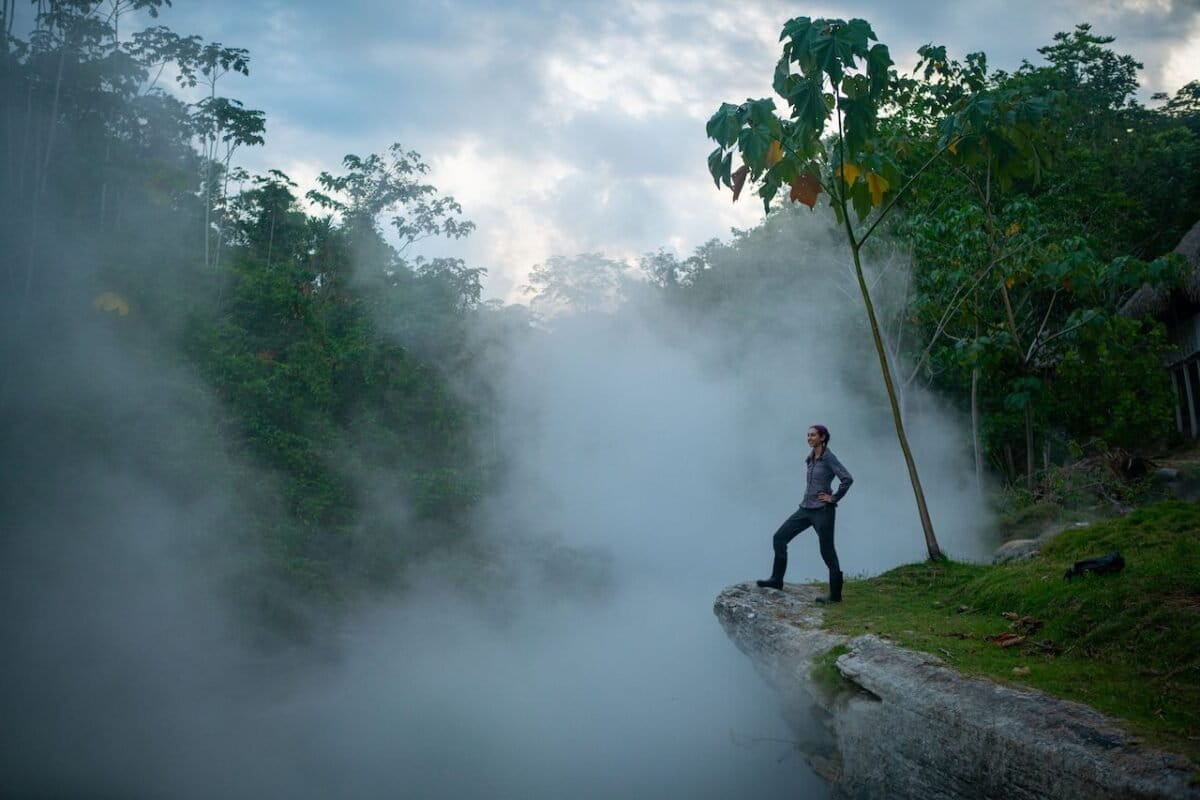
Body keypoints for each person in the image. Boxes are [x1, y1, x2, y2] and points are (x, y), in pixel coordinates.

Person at [756, 424, 852, 602]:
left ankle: (835, 595)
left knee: (827, 552)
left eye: (813, 435)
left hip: (823, 511)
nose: (809, 438)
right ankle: (777, 580)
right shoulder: (811, 458)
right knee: (779, 537)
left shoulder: (829, 458)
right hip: (805, 508)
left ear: (822, 437)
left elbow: (847, 478)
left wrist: (834, 498)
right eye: (808, 435)